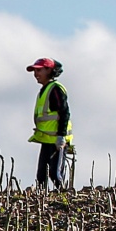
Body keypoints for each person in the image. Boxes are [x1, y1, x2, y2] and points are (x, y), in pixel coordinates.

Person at [26, 57, 72, 189]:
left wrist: (61, 137)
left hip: (57, 140)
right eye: (35, 71)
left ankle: (64, 197)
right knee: (41, 175)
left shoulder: (55, 89)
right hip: (47, 140)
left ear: (49, 70)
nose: (36, 74)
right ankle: (42, 201)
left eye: (39, 70)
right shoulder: (45, 90)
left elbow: (64, 113)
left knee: (54, 174)